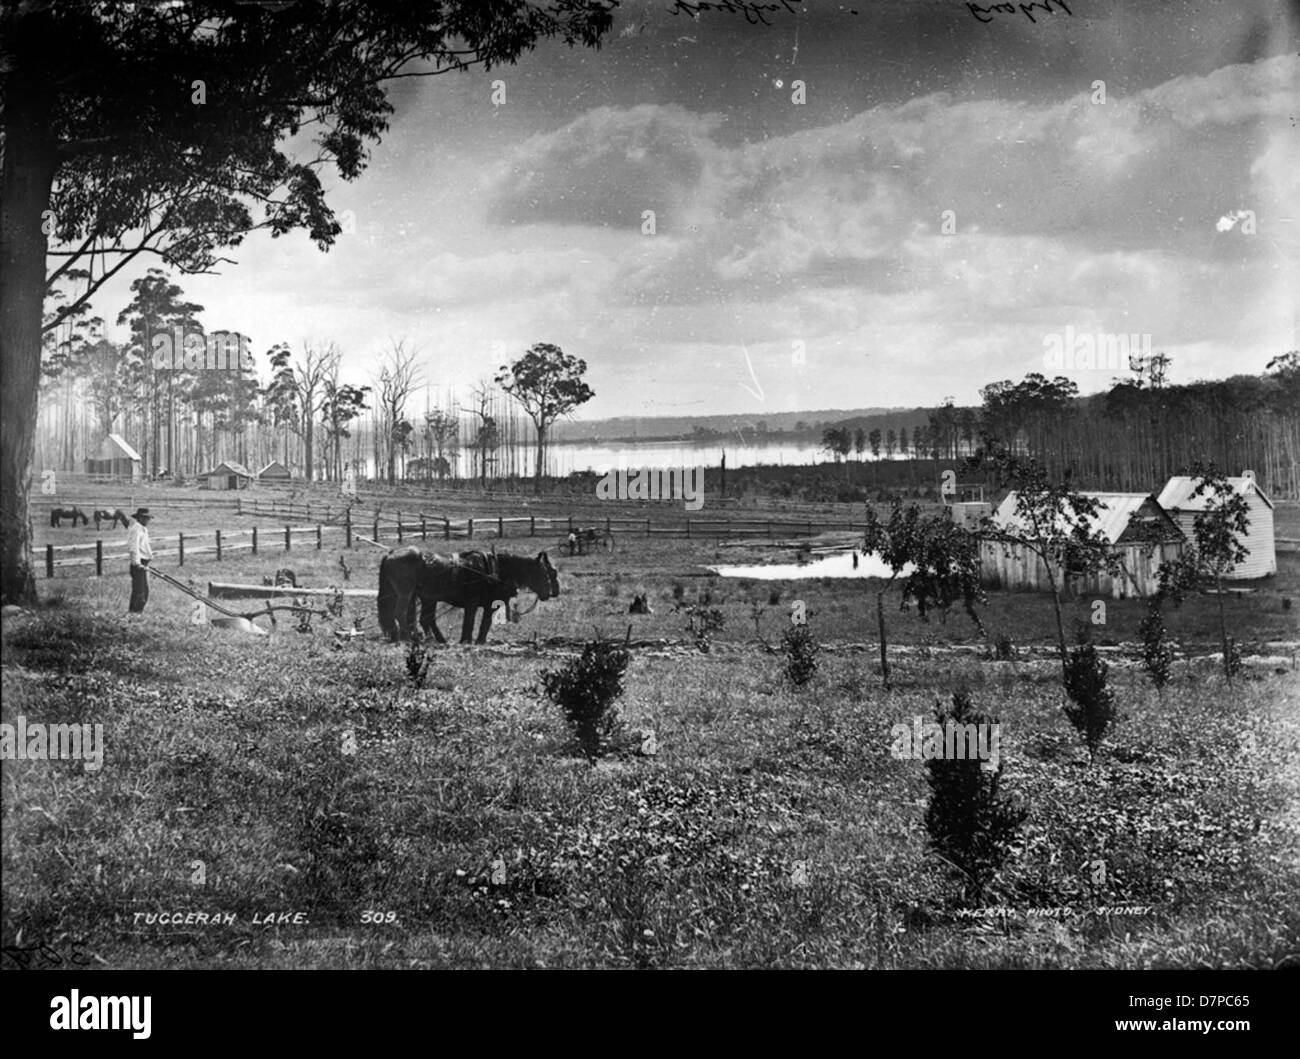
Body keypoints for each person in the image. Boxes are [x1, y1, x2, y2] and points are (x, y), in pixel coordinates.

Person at [126, 508, 154, 614]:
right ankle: (134, 612)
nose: (148, 521)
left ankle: (136, 612)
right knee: (140, 591)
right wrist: (137, 563)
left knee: (144, 590)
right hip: (138, 563)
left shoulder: (143, 529)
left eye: (149, 518)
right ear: (140, 518)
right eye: (146, 518)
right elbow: (134, 547)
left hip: (144, 562)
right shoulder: (136, 529)